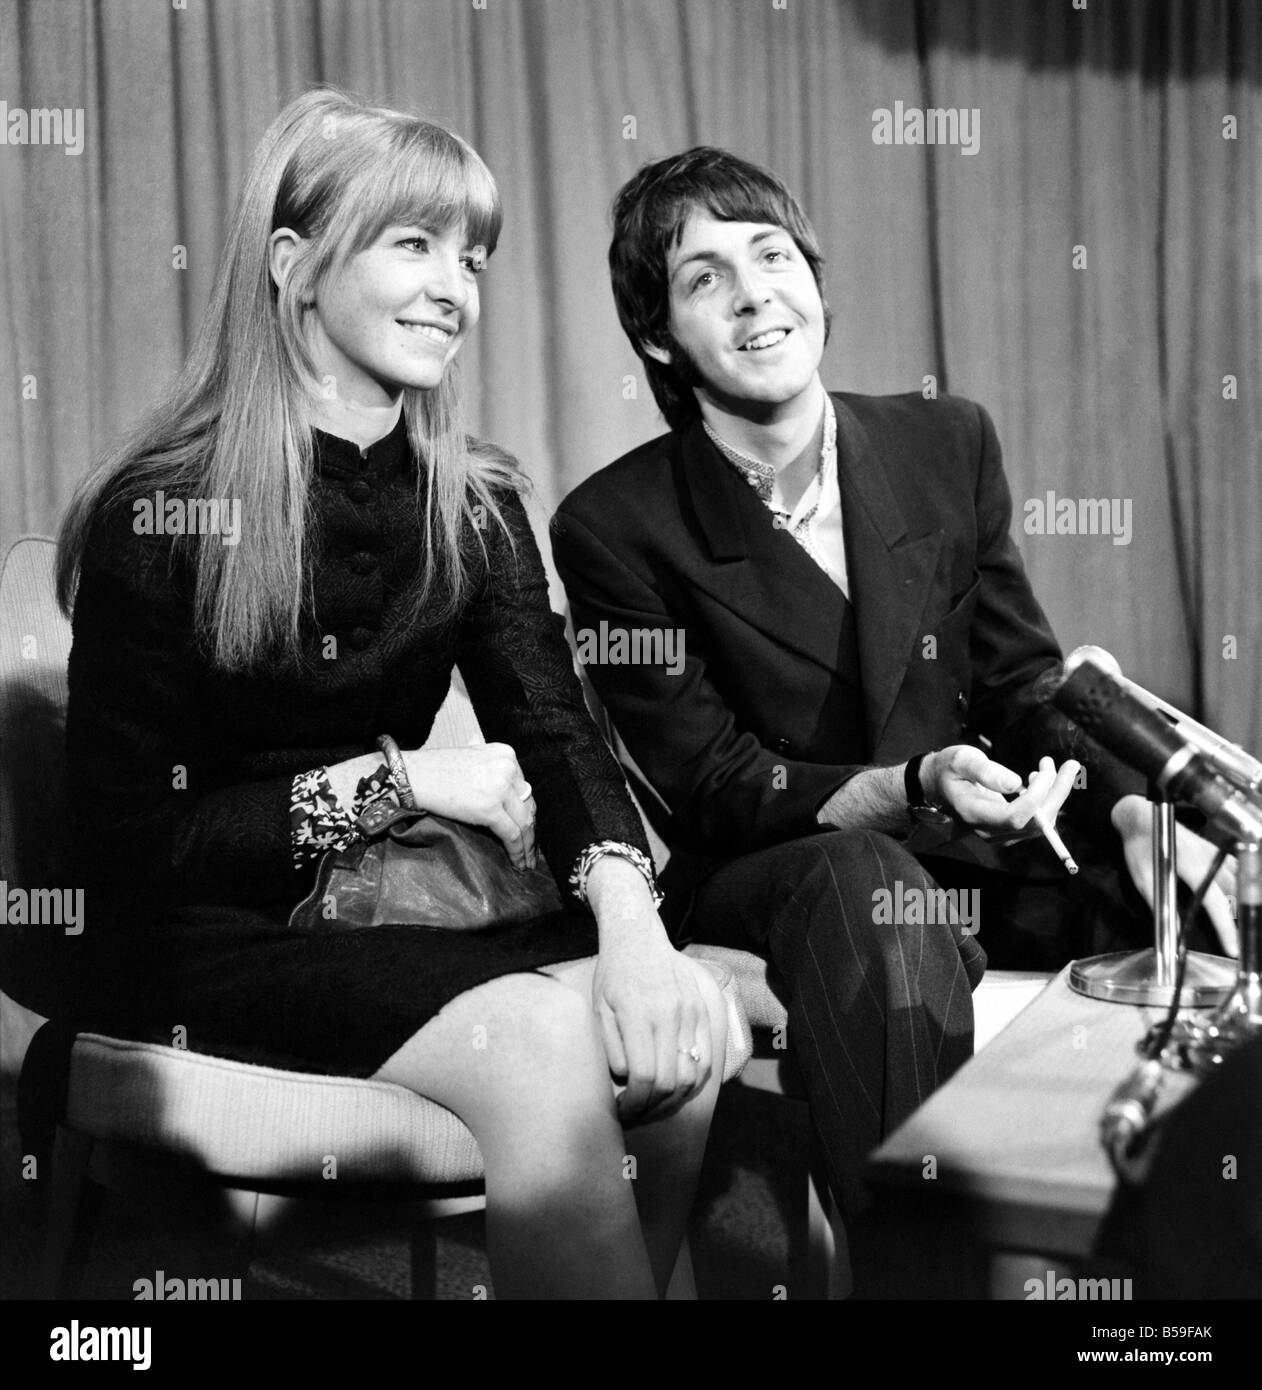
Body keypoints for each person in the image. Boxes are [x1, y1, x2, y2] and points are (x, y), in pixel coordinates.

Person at [53, 91, 730, 1301]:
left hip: (380, 913)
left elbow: (553, 728)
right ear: (295, 268)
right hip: (201, 938)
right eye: (410, 244)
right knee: (532, 1043)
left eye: (468, 256)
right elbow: (128, 849)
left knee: (682, 1021)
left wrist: (634, 928)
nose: (454, 288)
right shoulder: (157, 512)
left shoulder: (470, 502)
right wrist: (401, 782)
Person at [550, 146, 1238, 1242]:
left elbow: (1021, 681)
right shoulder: (612, 525)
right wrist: (908, 783)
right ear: (655, 337)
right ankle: (919, 1273)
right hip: (776, 867)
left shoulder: (942, 440)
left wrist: (1134, 806)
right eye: (702, 277)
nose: (752, 294)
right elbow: (714, 781)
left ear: (815, 279)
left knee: (1203, 862)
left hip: (970, 858)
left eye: (770, 256)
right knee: (870, 890)